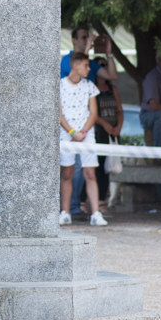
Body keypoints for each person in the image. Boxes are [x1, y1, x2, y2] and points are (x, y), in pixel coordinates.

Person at [59, 51, 107, 226]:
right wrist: (72, 132)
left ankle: (95, 213)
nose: (89, 69)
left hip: (86, 134)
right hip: (66, 134)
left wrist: (83, 132)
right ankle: (65, 212)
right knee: (67, 173)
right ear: (75, 65)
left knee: (90, 173)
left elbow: (93, 113)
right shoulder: (59, 85)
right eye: (86, 66)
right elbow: (59, 113)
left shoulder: (89, 86)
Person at [94, 67, 124, 208]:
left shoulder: (113, 89)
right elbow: (91, 112)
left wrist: (119, 126)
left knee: (108, 168)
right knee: (98, 168)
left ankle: (103, 201)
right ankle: (98, 202)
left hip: (113, 133)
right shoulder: (92, 88)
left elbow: (119, 110)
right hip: (98, 132)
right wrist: (104, 124)